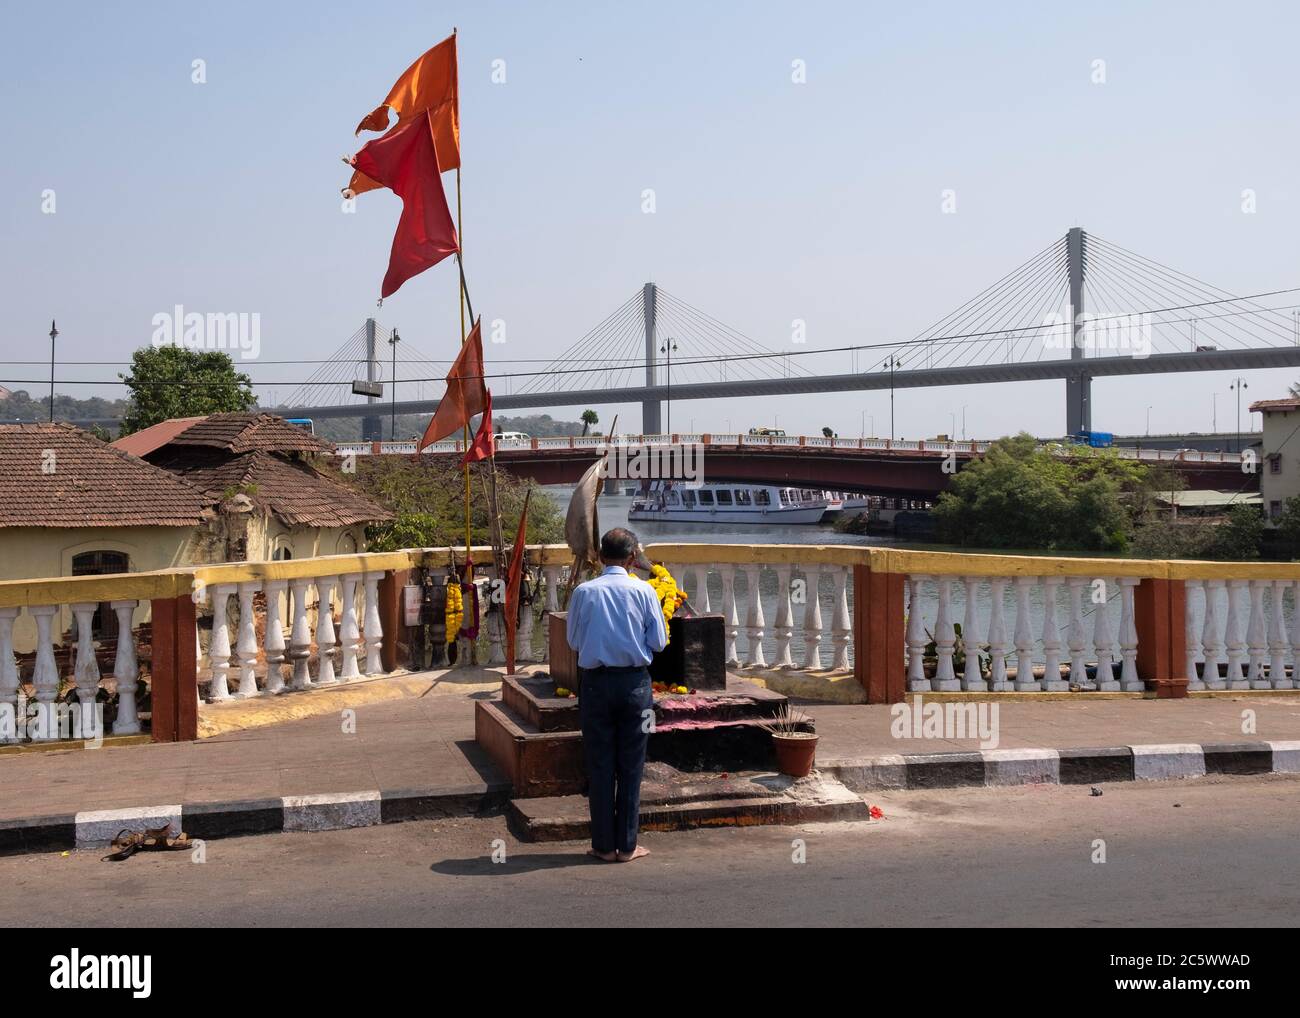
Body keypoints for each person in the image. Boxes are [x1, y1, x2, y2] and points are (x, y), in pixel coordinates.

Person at [565, 527, 667, 862]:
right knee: (632, 765)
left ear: (600, 556)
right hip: (635, 686)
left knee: (599, 765)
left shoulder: (584, 591)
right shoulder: (644, 591)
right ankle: (627, 845)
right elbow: (659, 642)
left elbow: (574, 642)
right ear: (632, 558)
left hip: (595, 684)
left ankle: (603, 846)